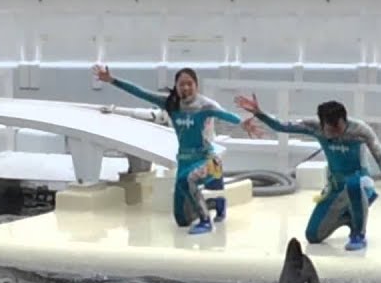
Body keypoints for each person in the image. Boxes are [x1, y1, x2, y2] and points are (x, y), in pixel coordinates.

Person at [92, 64, 264, 234]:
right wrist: (112, 80)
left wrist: (242, 124)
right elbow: (140, 92)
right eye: (182, 84)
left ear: (196, 85)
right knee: (182, 220)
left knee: (191, 180)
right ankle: (216, 203)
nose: (186, 87)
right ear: (176, 87)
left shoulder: (205, 105)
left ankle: (206, 221)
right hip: (184, 160)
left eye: (190, 83)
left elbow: (225, 114)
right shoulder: (171, 104)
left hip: (209, 160)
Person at [234, 94, 381, 251]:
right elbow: (281, 127)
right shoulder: (314, 127)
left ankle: (358, 234)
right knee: (313, 235)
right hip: (335, 187)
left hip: (361, 183)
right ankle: (349, 218)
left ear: (345, 120)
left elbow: (379, 154)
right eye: (331, 130)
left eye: (339, 129)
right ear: (322, 124)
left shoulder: (360, 130)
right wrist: (259, 113)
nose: (336, 134)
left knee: (354, 184)